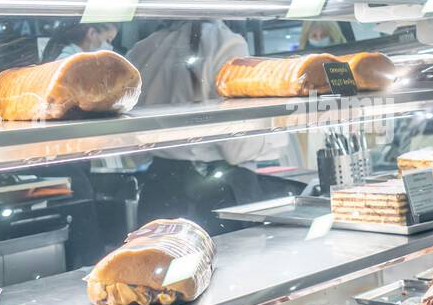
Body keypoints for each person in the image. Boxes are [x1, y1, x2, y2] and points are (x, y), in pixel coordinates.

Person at [123, 20, 290, 232]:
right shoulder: (226, 43)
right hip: (217, 193)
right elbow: (237, 148)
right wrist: (278, 136)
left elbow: (136, 150)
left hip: (159, 188)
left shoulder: (142, 49)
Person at [41, 22, 118, 62]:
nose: (110, 47)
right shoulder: (69, 61)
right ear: (92, 33)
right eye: (108, 40)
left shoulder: (79, 58)